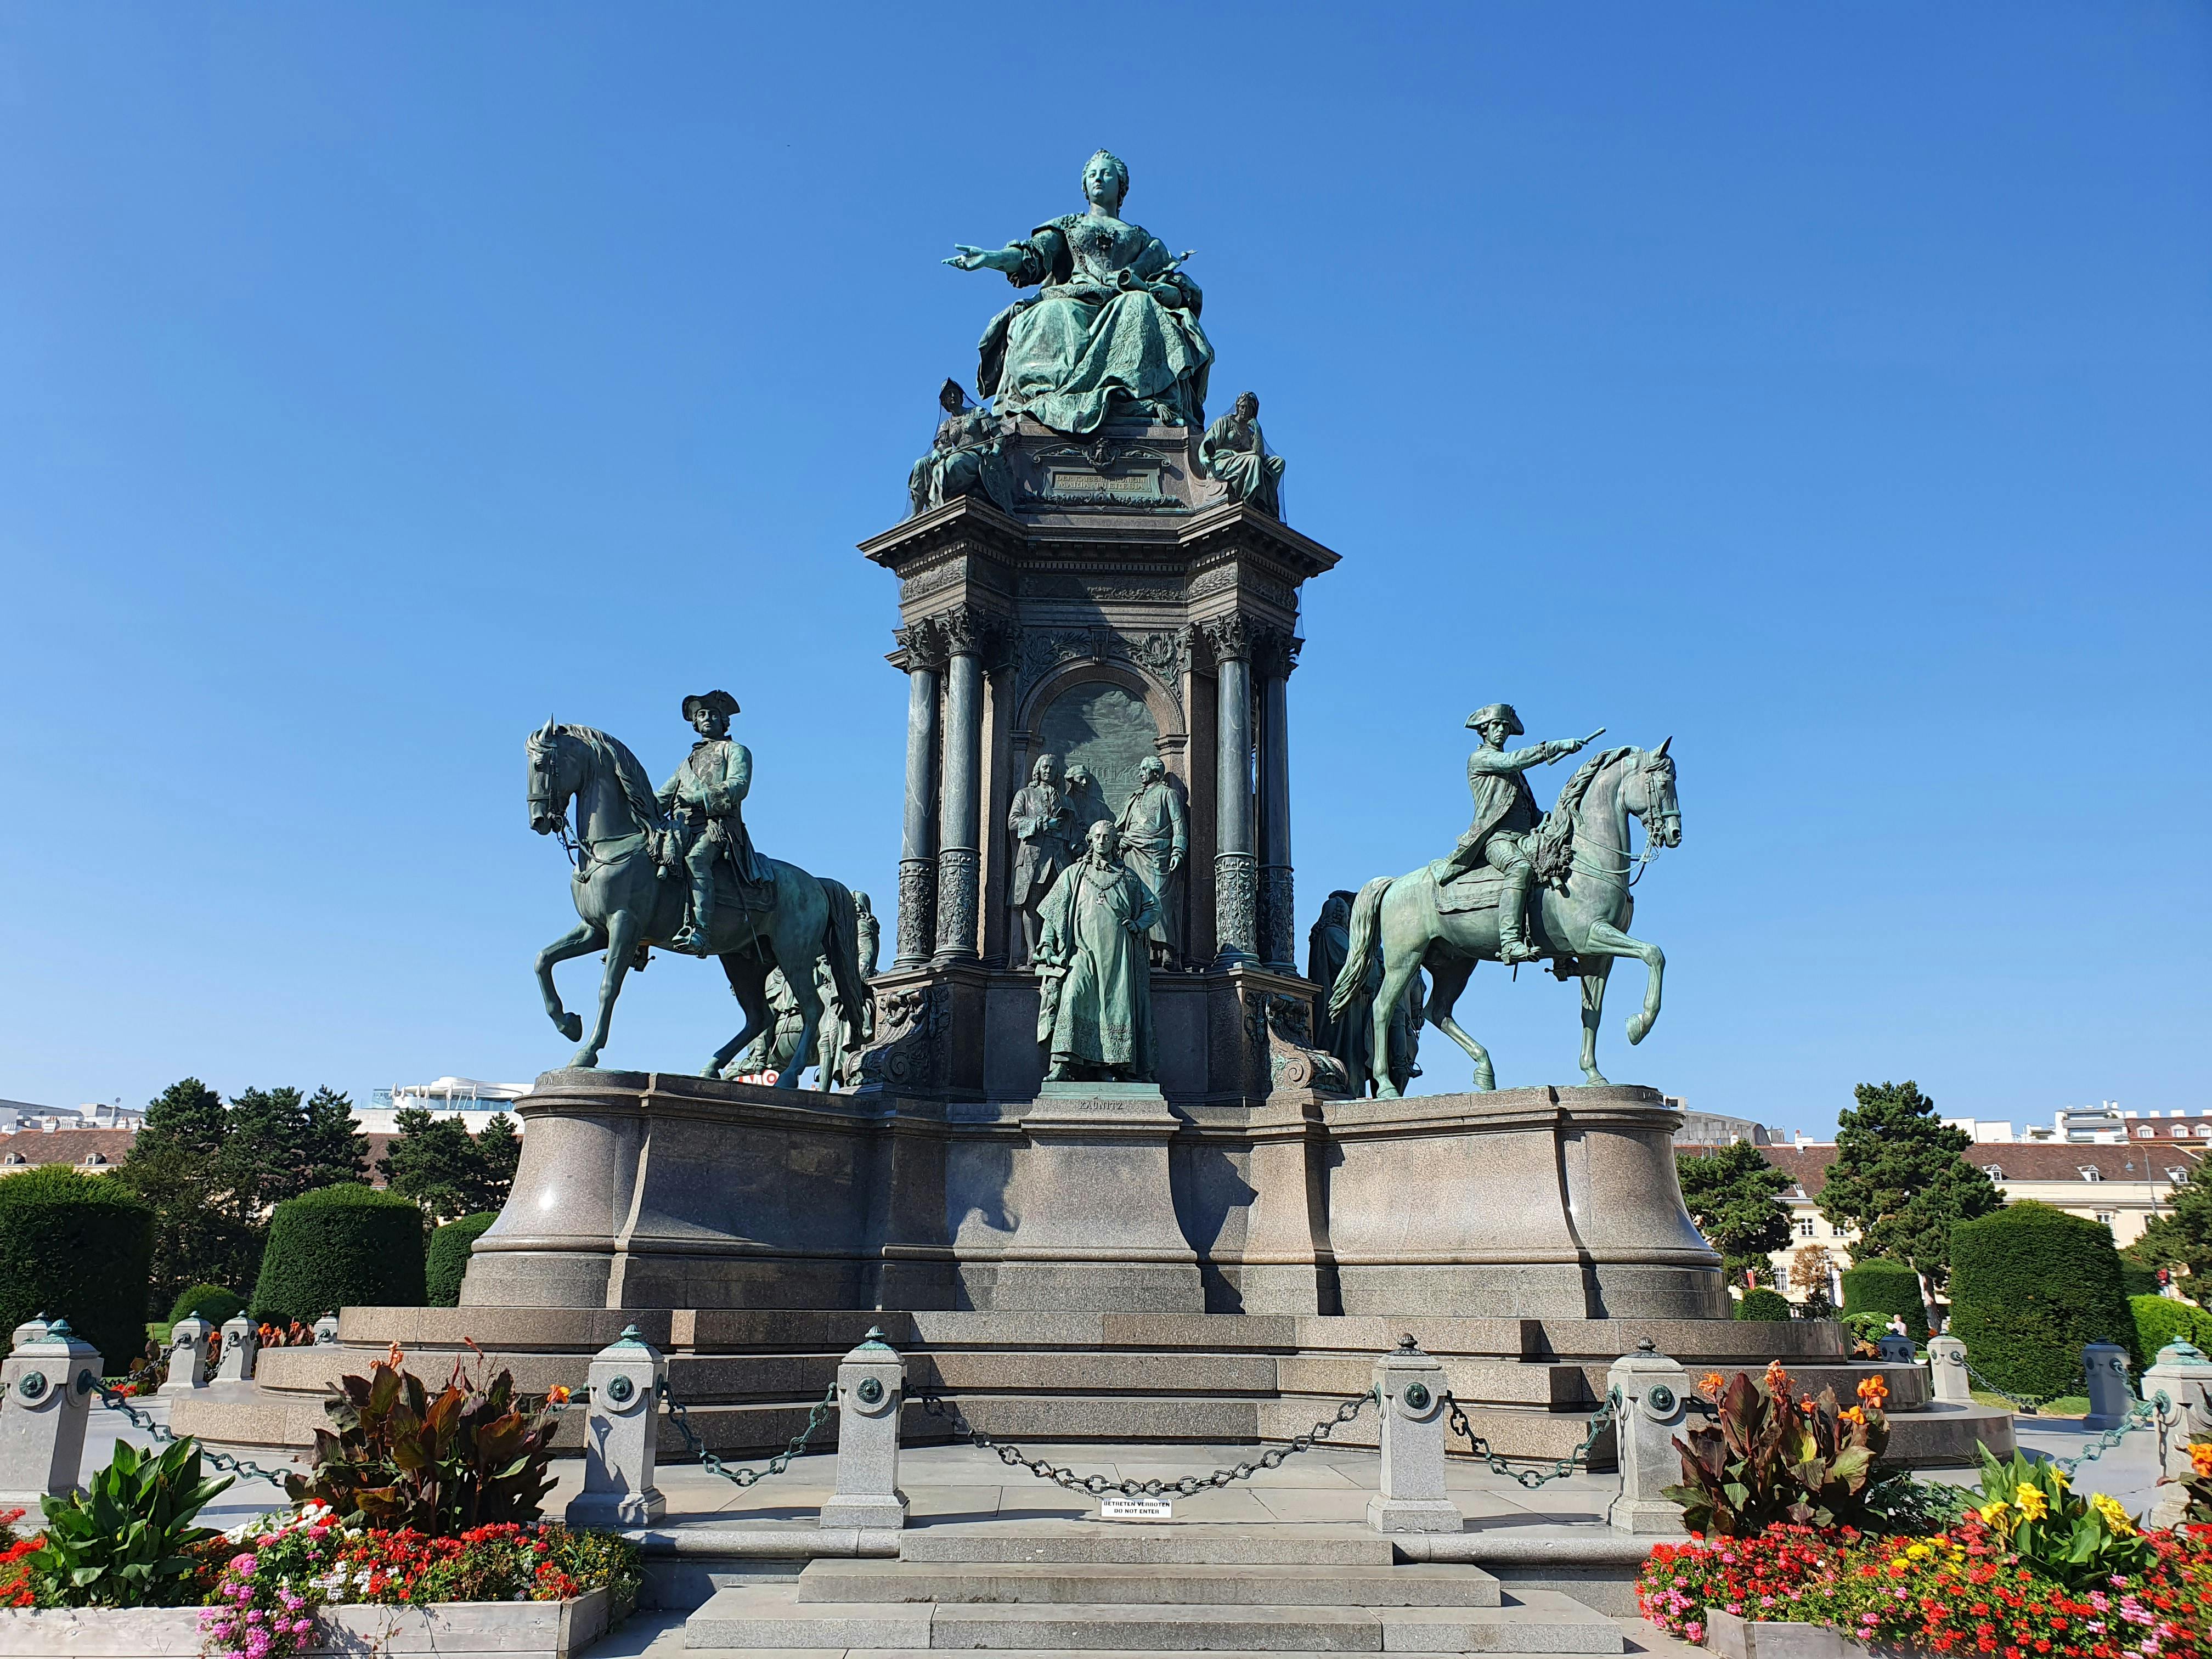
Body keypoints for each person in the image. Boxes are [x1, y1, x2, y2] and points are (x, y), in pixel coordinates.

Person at [945, 149, 1214, 434]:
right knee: (1052, 314)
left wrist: (1162, 290)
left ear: (1121, 186)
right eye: (1092, 174)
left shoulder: (1142, 239)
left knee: (1140, 305)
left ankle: (1124, 393)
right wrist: (991, 258)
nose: (1099, 178)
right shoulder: (1069, 227)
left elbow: (1172, 282)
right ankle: (1051, 397)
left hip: (1121, 300)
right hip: (1073, 298)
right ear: (1084, 186)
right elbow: (1033, 256)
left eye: (1106, 173)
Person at [1431, 704, 1595, 965]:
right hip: (1496, 838)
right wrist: (1557, 746)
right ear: (1484, 731)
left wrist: (1551, 821)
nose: (1501, 731)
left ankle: (1560, 948)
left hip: (1524, 837)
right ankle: (1510, 942)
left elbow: (1526, 806)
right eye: (1496, 726)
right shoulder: (1482, 759)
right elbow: (1513, 760)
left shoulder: (1515, 774)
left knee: (1556, 863)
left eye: (1505, 727)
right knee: (1519, 869)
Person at [1033, 820, 1159, 1082]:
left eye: (1107, 837)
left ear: (1115, 842)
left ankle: (1108, 1067)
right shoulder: (1074, 873)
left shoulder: (1129, 878)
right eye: (1098, 837)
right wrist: (1046, 943)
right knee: (1072, 996)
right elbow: (1054, 914)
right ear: (1090, 840)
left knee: (1114, 1007)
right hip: (1082, 952)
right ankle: (1061, 1064)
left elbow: (1153, 907)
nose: (1102, 841)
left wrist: (1138, 925)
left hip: (1117, 956)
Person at [657, 690, 770, 954]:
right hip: (683, 828)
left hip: (718, 827)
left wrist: (699, 796)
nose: (707, 719)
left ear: (724, 721)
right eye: (701, 715)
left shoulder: (736, 751)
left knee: (696, 859)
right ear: (695, 723)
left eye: (713, 714)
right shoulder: (687, 762)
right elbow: (662, 797)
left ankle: (700, 930)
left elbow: (738, 786)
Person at [1114, 755, 1188, 967]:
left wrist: (1178, 850)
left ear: (1156, 773)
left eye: (1144, 769)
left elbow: (1178, 823)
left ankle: (1167, 951)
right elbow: (1121, 825)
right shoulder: (1135, 798)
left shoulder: (1168, 794)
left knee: (1159, 901)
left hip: (1158, 855)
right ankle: (1143, 951)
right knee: (1136, 902)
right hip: (1132, 854)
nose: (1140, 773)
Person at [907, 378, 1014, 517]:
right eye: (948, 395)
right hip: (955, 455)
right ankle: (916, 514)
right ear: (944, 403)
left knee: (953, 462)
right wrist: (935, 453)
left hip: (976, 455)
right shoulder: (946, 425)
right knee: (920, 464)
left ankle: (952, 499)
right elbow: (941, 447)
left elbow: (998, 436)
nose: (952, 396)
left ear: (960, 396)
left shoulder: (978, 412)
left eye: (955, 393)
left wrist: (995, 452)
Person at [1006, 753, 1074, 968]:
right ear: (1037, 770)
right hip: (1034, 861)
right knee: (1032, 905)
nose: (1048, 771)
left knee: (1057, 907)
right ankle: (1032, 954)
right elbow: (1013, 823)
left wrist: (1077, 841)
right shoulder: (1026, 795)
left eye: (1053, 768)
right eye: (1045, 767)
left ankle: (1054, 950)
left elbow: (1077, 827)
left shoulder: (1066, 800)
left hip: (1060, 861)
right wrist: (1041, 823)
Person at [1199, 391, 1285, 516]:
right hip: (1224, 461)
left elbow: (1260, 454)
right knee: (1254, 461)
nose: (1245, 411)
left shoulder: (1251, 433)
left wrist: (1257, 430)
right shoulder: (1225, 422)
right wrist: (1205, 457)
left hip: (1246, 463)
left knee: (1279, 463)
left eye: (1250, 408)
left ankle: (1262, 500)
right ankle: (1250, 500)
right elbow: (1209, 441)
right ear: (1237, 406)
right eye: (1243, 407)